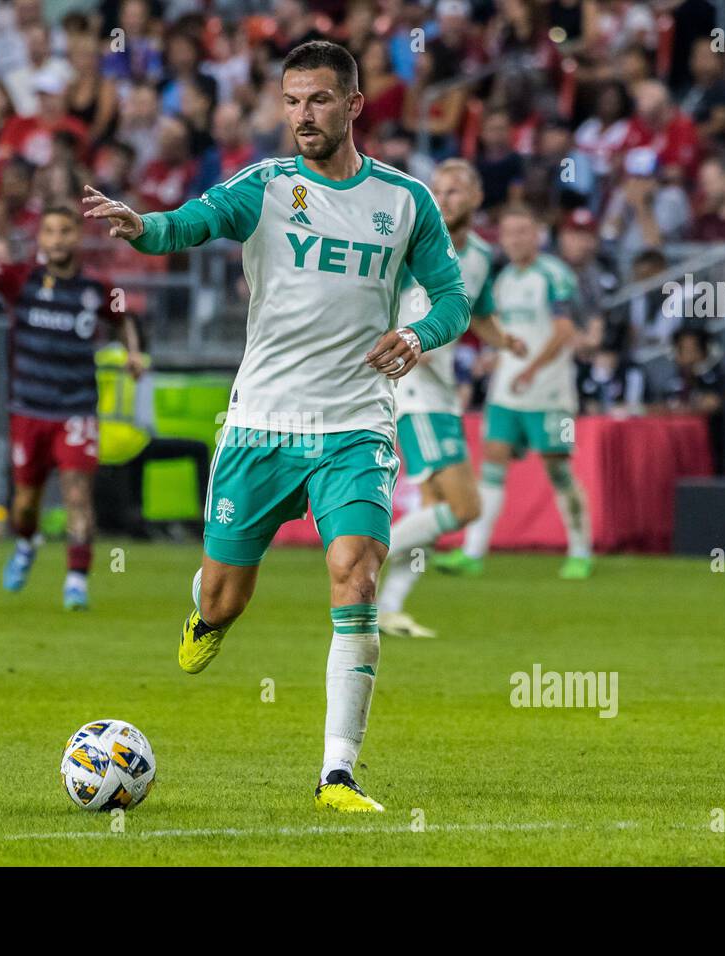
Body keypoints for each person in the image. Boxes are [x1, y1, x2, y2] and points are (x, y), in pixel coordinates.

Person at [84, 41, 469, 813]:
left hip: (355, 424)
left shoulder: (405, 202)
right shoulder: (265, 186)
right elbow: (194, 221)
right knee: (227, 598)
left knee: (356, 572)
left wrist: (420, 335)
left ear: (355, 105)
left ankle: (337, 775)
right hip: (261, 423)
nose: (303, 115)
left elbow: (453, 297)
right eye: (292, 101)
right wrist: (143, 225)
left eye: (320, 99)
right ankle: (207, 611)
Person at [0, 208, 143, 611]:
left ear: (77, 237)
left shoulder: (96, 288)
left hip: (76, 410)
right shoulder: (22, 278)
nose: (57, 239)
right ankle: (27, 543)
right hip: (29, 409)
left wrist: (133, 354)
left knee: (78, 496)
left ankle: (76, 580)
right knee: (26, 503)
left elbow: (123, 318)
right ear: (41, 239)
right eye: (50, 232)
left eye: (65, 231)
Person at [376, 159, 524, 639]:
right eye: (438, 189)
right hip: (412, 386)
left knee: (437, 510)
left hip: (441, 392)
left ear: (478, 198)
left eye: (456, 190)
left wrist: (506, 342)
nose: (444, 198)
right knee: (466, 507)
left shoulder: (480, 254)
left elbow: (478, 313)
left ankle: (388, 608)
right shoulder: (412, 241)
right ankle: (362, 564)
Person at [436, 204, 594, 580]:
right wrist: (494, 357)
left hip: (549, 391)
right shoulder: (503, 279)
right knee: (492, 462)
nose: (515, 240)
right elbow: (503, 331)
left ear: (538, 234)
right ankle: (473, 551)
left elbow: (564, 330)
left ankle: (580, 550)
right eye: (509, 233)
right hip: (506, 390)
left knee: (558, 468)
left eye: (523, 231)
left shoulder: (554, 275)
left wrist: (532, 369)